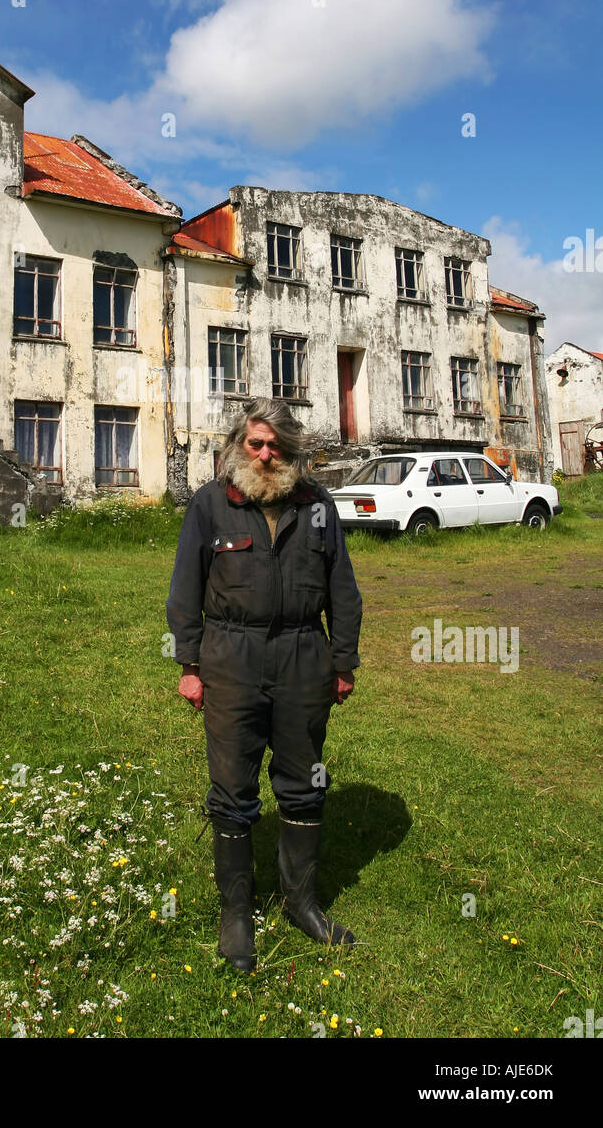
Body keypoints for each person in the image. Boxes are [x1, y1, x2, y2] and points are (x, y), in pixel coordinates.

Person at [165, 397, 363, 971]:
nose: (266, 453)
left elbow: (342, 588)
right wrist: (191, 665)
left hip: (304, 655)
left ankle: (301, 904)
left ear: (292, 450)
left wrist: (343, 661)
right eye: (256, 443)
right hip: (232, 656)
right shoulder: (209, 504)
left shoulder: (318, 505)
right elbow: (185, 589)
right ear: (238, 447)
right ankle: (236, 916)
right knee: (232, 788)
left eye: (276, 445)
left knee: (303, 783)